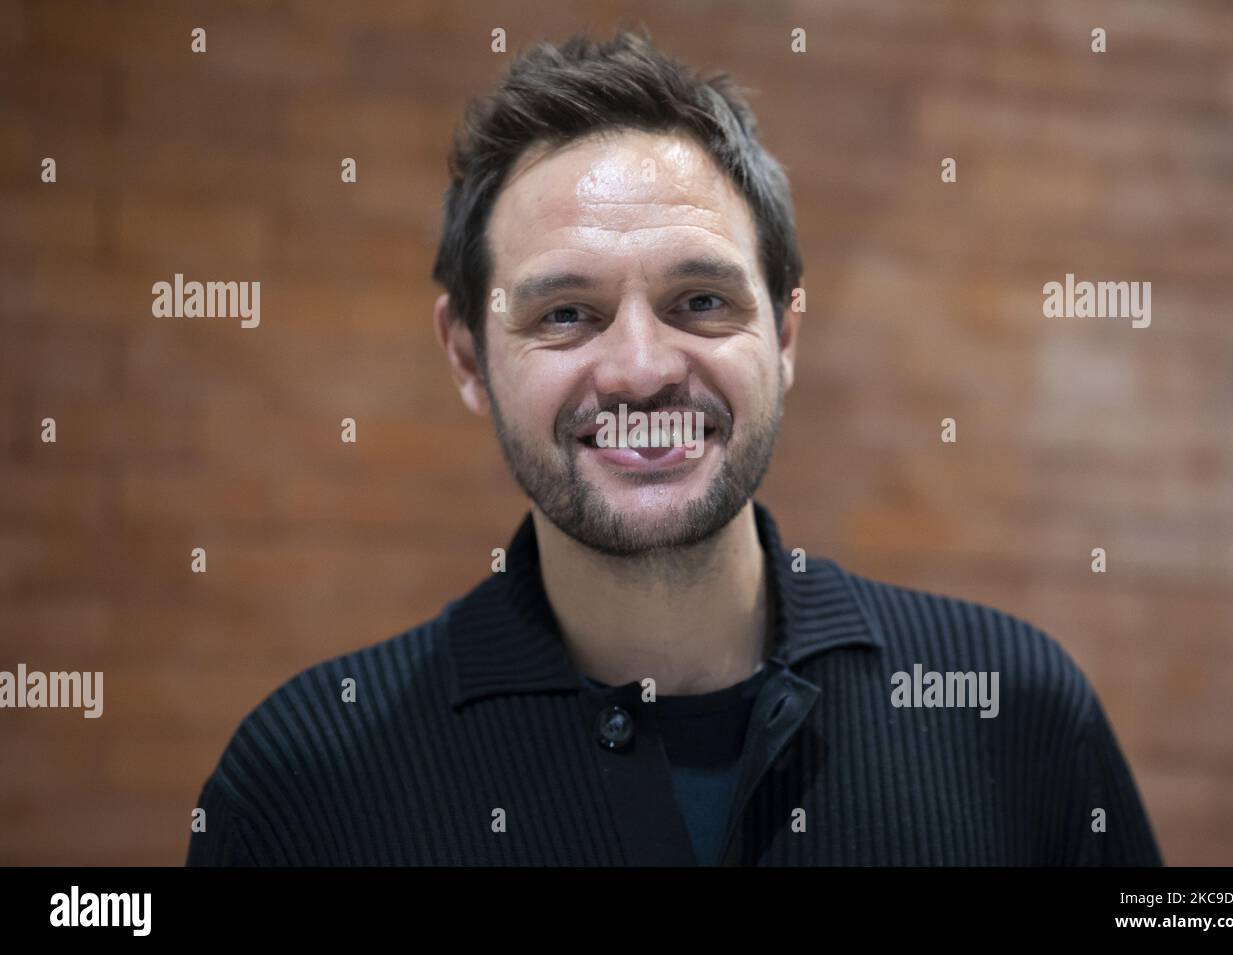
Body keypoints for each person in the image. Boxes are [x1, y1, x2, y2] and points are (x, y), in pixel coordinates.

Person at [187, 27, 1161, 866]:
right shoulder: (308, 780)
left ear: (782, 335)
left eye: (701, 301)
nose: (641, 367)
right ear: (467, 353)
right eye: (567, 313)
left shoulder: (1014, 715)